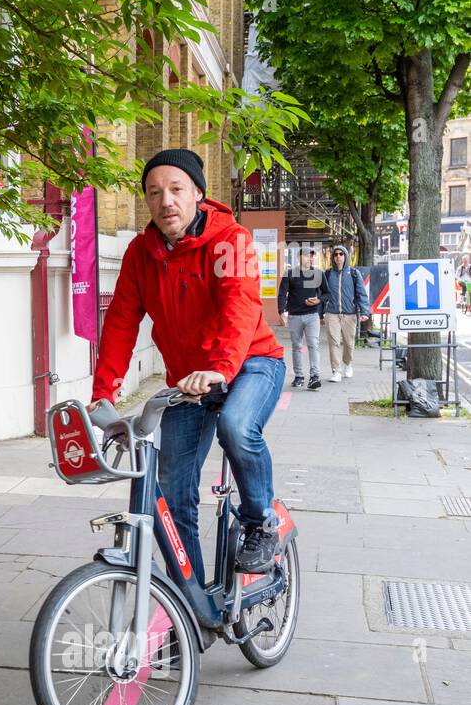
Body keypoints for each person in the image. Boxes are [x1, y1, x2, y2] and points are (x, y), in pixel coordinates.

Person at [89, 148, 287, 576]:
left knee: (236, 426)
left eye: (176, 189)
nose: (166, 201)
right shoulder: (140, 254)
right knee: (172, 491)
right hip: (187, 383)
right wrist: (102, 393)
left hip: (252, 362)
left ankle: (262, 523)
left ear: (198, 192)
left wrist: (220, 367)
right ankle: (191, 601)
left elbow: (240, 305)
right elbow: (121, 323)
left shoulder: (230, 240)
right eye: (155, 192)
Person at [278, 247, 326, 390]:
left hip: (312, 315)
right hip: (294, 316)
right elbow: (282, 294)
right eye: (306, 256)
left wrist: (318, 301)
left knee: (313, 344)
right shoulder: (290, 274)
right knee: (297, 346)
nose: (309, 259)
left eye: (312, 256)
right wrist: (281, 312)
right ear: (299, 257)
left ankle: (315, 376)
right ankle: (299, 376)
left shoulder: (318, 273)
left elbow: (327, 293)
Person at [321, 245, 371, 381]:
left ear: (345, 256)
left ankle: (347, 363)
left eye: (341, 254)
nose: (338, 257)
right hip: (332, 313)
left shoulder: (354, 274)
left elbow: (361, 294)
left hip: (350, 314)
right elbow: (322, 294)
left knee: (349, 344)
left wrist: (365, 311)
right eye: (335, 254)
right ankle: (336, 371)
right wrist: (320, 313)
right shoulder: (327, 274)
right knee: (334, 343)